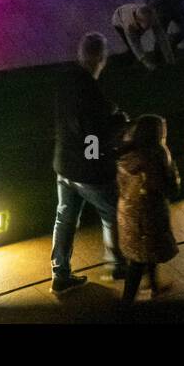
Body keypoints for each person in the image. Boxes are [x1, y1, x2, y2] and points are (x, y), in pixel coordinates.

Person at [50, 32, 127, 295]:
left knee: (65, 219)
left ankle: (60, 274)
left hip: (63, 165)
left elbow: (77, 118)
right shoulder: (92, 93)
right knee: (111, 213)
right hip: (88, 171)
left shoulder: (66, 80)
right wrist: (117, 123)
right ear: (100, 59)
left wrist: (106, 111)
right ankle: (117, 264)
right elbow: (93, 134)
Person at [117, 114, 180, 302]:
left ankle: (153, 286)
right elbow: (166, 187)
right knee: (139, 260)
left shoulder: (127, 152)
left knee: (146, 252)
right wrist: (172, 172)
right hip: (148, 213)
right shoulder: (154, 156)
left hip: (128, 210)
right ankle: (127, 302)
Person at [111, 2, 174, 69]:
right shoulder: (129, 25)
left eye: (151, 23)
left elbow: (162, 38)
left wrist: (170, 59)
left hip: (130, 13)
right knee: (131, 47)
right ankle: (119, 63)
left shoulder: (152, 16)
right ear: (139, 21)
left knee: (134, 49)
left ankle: (133, 60)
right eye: (148, 24)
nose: (150, 27)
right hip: (118, 20)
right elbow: (134, 44)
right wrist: (148, 64)